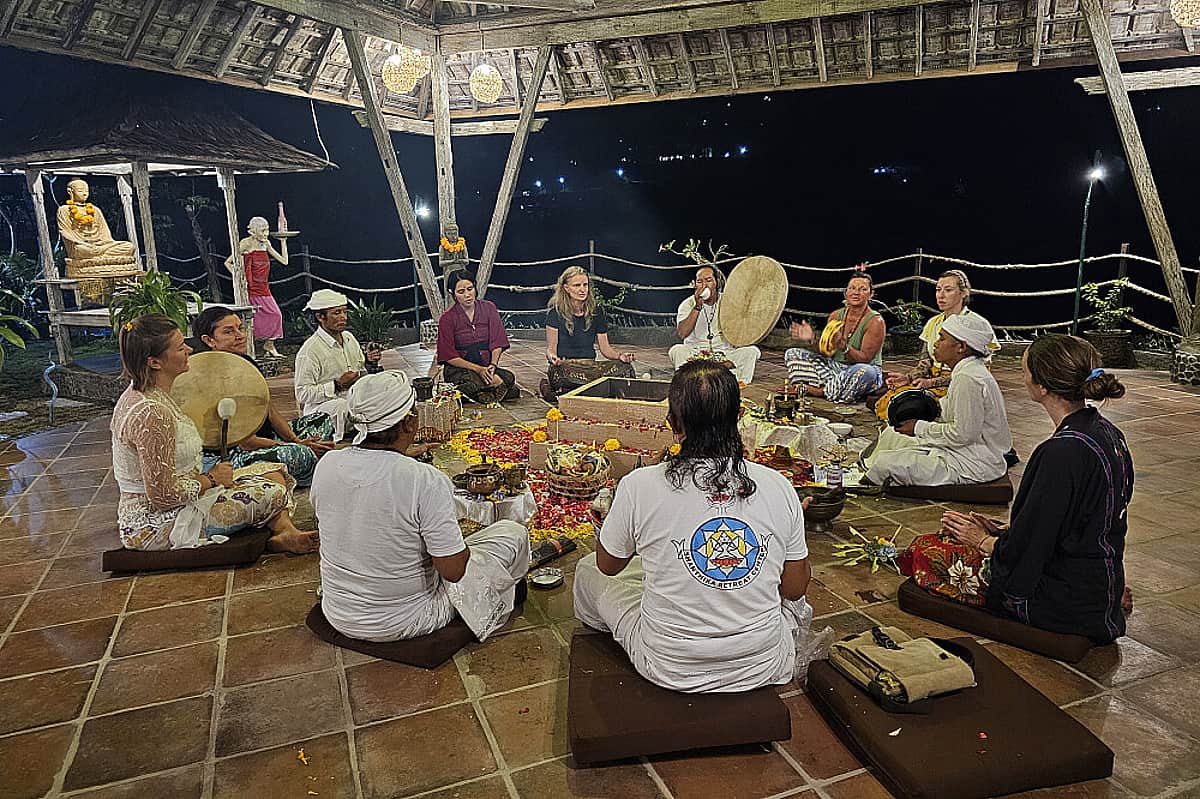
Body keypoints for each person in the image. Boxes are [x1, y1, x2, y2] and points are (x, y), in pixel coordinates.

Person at [573, 360, 814, 693]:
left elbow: (608, 566)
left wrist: (608, 527)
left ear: (672, 422)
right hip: (762, 662)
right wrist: (788, 533)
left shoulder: (639, 485)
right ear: (739, 415)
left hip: (669, 665)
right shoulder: (778, 485)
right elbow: (794, 589)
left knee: (588, 572)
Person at [899, 334, 1133, 643]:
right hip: (1097, 580)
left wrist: (983, 540)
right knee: (955, 535)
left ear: (1042, 386)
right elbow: (1071, 521)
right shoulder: (1107, 432)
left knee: (924, 550)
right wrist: (1001, 531)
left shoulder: (1061, 453)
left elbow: (1027, 553)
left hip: (1060, 599)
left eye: (1024, 371)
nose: (1022, 378)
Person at [310, 371, 530, 642]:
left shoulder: (328, 465)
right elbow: (453, 570)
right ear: (408, 423)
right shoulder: (423, 479)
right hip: (407, 617)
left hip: (339, 612)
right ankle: (503, 597)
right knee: (512, 533)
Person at [110, 314, 318, 553]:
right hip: (156, 524)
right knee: (273, 492)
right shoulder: (151, 413)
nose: (188, 349)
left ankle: (285, 533)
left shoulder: (148, 394)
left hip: (182, 498)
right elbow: (162, 496)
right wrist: (211, 480)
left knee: (271, 471)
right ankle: (283, 531)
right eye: (179, 348)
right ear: (155, 362)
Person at [864, 313, 1012, 486]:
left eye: (942, 338)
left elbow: (962, 435)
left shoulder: (969, 378)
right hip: (962, 451)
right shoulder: (965, 371)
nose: (936, 343)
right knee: (892, 435)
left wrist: (918, 427)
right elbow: (950, 413)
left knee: (885, 464)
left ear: (961, 347)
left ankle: (862, 483)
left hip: (974, 462)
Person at [191, 306, 333, 486]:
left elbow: (269, 408)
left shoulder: (247, 362)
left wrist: (296, 439)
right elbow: (245, 442)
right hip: (237, 453)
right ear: (209, 340)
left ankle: (292, 466)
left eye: (239, 328)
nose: (240, 335)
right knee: (301, 454)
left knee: (323, 419)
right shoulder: (209, 378)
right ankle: (271, 471)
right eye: (229, 331)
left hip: (269, 439)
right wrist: (296, 447)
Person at [876, 270, 999, 420]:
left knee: (908, 407)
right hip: (932, 379)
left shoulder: (976, 325)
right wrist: (908, 378)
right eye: (938, 290)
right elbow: (926, 361)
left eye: (948, 290)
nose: (941, 295)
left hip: (961, 385)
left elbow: (981, 372)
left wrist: (931, 383)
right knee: (890, 400)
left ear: (963, 293)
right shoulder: (934, 323)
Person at [784, 270, 886, 402]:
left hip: (859, 369)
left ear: (871, 295)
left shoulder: (876, 322)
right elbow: (826, 352)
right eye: (852, 288)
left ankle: (820, 391)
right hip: (835, 368)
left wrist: (844, 347)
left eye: (863, 289)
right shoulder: (835, 315)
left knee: (866, 372)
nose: (856, 292)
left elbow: (865, 359)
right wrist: (812, 339)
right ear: (846, 293)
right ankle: (834, 386)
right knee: (793, 353)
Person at [294, 289, 382, 441]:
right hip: (323, 411)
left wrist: (369, 361)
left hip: (353, 402)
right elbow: (302, 394)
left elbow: (360, 371)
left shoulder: (349, 338)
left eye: (344, 312)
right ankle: (341, 441)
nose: (343, 317)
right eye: (336, 313)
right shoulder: (310, 350)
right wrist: (336, 386)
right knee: (340, 406)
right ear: (320, 317)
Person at [540, 266, 636, 402]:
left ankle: (580, 391)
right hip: (567, 366)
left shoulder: (597, 311)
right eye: (577, 285)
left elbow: (605, 349)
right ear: (566, 288)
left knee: (625, 368)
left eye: (585, 285)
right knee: (561, 374)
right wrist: (553, 358)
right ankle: (558, 389)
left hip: (591, 367)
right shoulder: (555, 313)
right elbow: (550, 349)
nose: (582, 289)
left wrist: (620, 356)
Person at [668, 265, 761, 384]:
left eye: (708, 280)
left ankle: (712, 376)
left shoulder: (729, 302)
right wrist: (697, 307)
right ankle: (720, 376)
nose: (704, 285)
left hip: (725, 354)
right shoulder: (687, 304)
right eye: (699, 282)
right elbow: (682, 333)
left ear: (716, 283)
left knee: (752, 351)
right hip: (696, 355)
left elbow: (742, 330)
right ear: (695, 285)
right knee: (677, 351)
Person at [436, 271, 519, 404]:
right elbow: (449, 356)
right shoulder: (447, 318)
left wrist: (492, 365)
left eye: (470, 289)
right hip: (460, 369)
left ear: (475, 287)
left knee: (509, 377)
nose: (467, 295)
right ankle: (487, 390)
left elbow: (497, 341)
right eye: (461, 291)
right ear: (454, 295)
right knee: (472, 383)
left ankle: (483, 392)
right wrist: (478, 370)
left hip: (485, 365)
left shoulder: (489, 308)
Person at [223, 216, 286, 358]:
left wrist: (283, 242)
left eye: (267, 230)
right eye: (262, 231)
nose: (265, 234)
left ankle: (269, 344)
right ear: (254, 231)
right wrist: (239, 276)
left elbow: (284, 261)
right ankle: (247, 349)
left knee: (276, 314)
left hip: (264, 287)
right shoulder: (245, 244)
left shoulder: (266, 244)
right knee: (250, 319)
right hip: (250, 288)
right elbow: (228, 262)